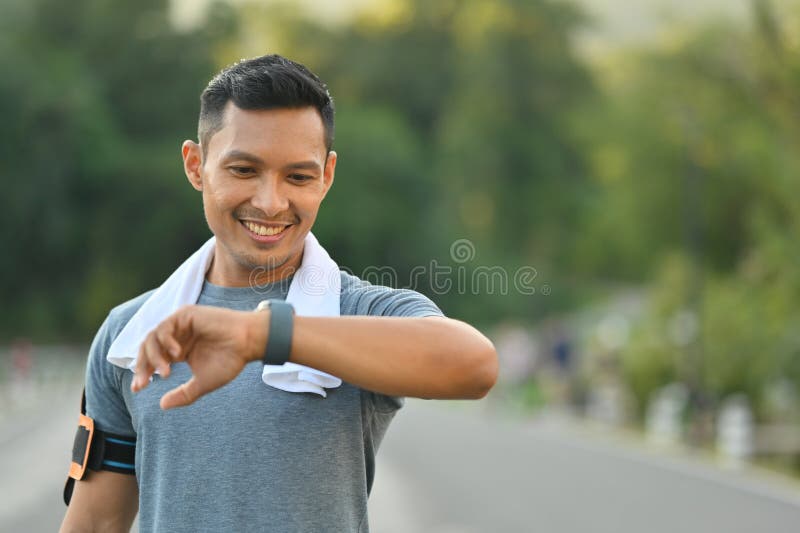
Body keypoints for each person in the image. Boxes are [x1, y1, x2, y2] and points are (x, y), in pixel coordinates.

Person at [60, 54, 497, 533]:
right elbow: (97, 523)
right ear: (196, 165)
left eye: (298, 177)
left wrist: (265, 335)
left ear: (326, 176)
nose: (271, 202)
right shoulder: (128, 333)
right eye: (244, 170)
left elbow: (474, 365)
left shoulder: (358, 310)